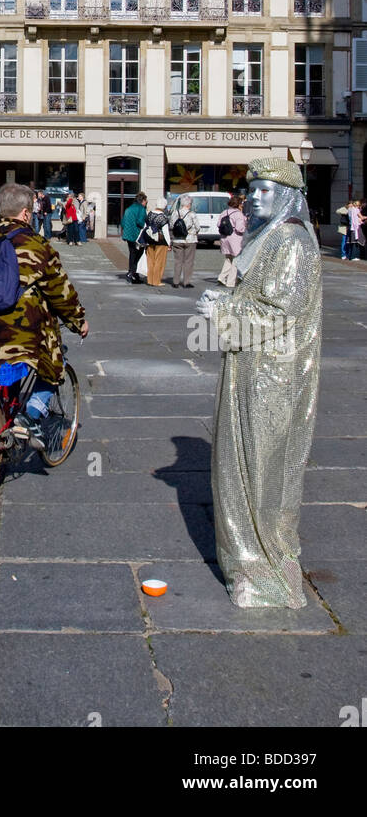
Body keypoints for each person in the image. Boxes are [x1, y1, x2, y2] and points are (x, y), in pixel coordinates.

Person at [198, 158, 321, 608]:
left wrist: (224, 313)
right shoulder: (270, 237)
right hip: (254, 366)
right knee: (244, 462)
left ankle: (263, 567)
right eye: (252, 189)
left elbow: (281, 311)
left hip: (273, 373)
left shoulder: (288, 239)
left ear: (286, 195)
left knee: (261, 467)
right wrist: (229, 299)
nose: (253, 197)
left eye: (265, 190)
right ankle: (252, 565)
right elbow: (264, 298)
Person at [0, 183, 89, 450]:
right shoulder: (36, 244)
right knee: (55, 362)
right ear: (26, 214)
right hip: (20, 333)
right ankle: (31, 416)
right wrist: (79, 321)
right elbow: (60, 291)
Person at [217, 194, 247, 287]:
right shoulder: (238, 214)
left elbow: (218, 224)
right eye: (241, 204)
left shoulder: (224, 212)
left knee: (228, 259)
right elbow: (240, 228)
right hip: (235, 239)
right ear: (238, 204)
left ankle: (221, 277)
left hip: (224, 238)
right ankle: (231, 282)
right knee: (236, 260)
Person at [170, 194, 199, 288]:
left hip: (177, 240)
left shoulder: (175, 213)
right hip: (190, 240)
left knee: (178, 261)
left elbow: (171, 226)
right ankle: (186, 282)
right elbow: (198, 227)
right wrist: (193, 232)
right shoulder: (192, 214)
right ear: (189, 203)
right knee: (188, 261)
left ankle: (176, 282)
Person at [121, 191, 148, 284]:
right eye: (146, 201)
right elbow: (140, 222)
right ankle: (132, 273)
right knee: (138, 255)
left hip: (128, 235)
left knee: (132, 254)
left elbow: (123, 223)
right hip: (137, 235)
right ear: (143, 201)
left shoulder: (128, 208)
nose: (146, 203)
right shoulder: (141, 209)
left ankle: (132, 274)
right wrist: (146, 226)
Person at [144, 198, 172, 286]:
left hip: (149, 239)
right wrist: (169, 243)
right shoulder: (163, 217)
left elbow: (145, 226)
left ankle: (150, 280)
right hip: (161, 241)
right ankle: (156, 281)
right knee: (159, 261)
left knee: (150, 261)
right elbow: (166, 232)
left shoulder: (149, 214)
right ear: (164, 206)